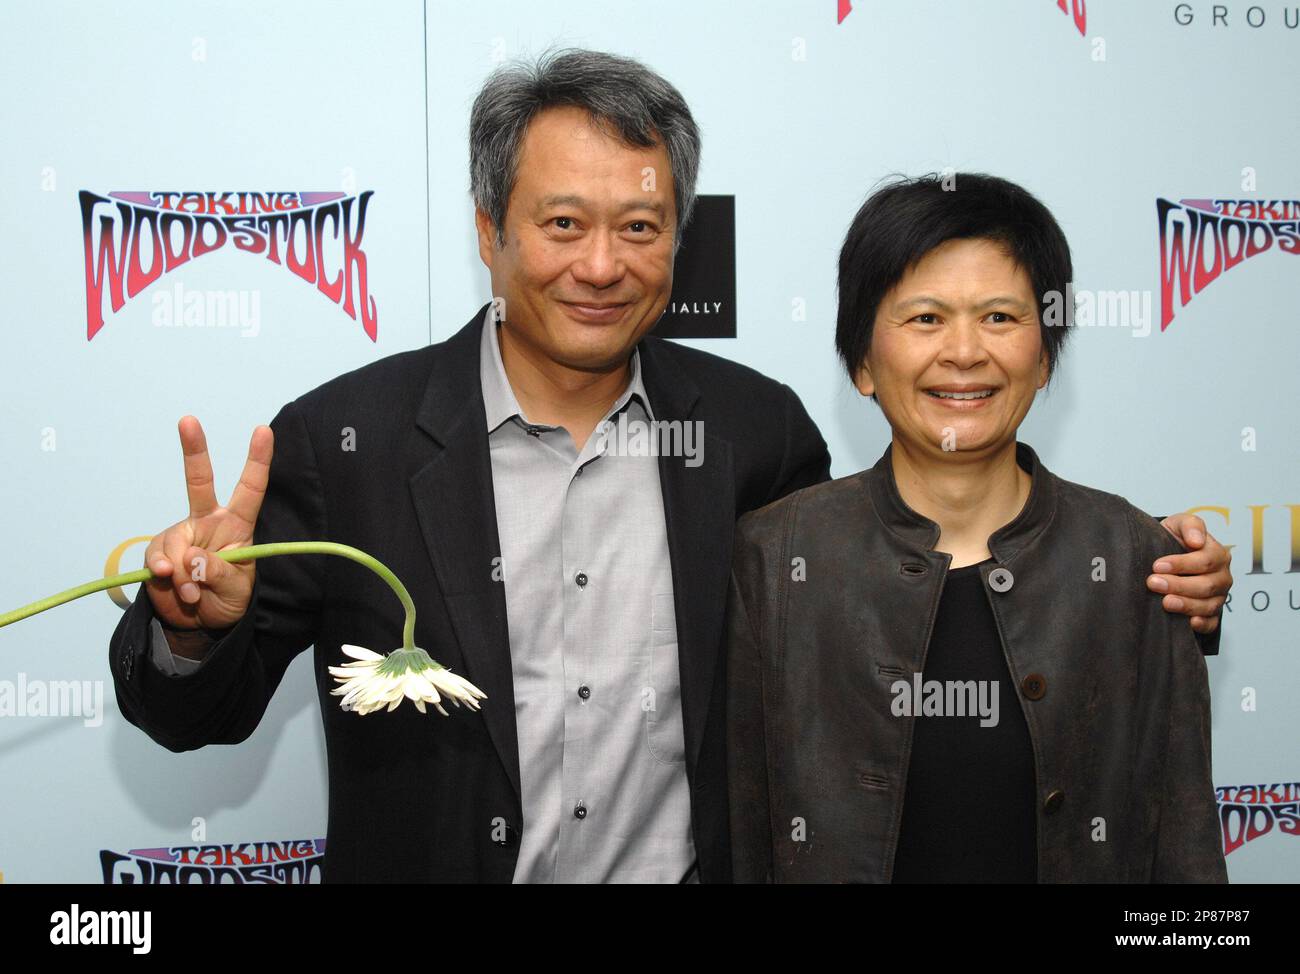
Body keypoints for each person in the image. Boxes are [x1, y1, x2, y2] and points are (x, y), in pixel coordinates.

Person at [108, 51, 1231, 883]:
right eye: (561, 222)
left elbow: (900, 585)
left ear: (678, 237)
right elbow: (189, 712)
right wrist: (193, 625)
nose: (601, 265)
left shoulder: (750, 434)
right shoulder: (343, 438)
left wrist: (1155, 577)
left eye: (640, 228)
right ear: (487, 228)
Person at [725, 172, 1229, 883]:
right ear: (863, 362)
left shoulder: (1137, 560)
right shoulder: (774, 559)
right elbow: (743, 836)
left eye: (999, 317)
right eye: (925, 318)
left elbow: (1183, 843)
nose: (965, 352)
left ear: (1046, 355)